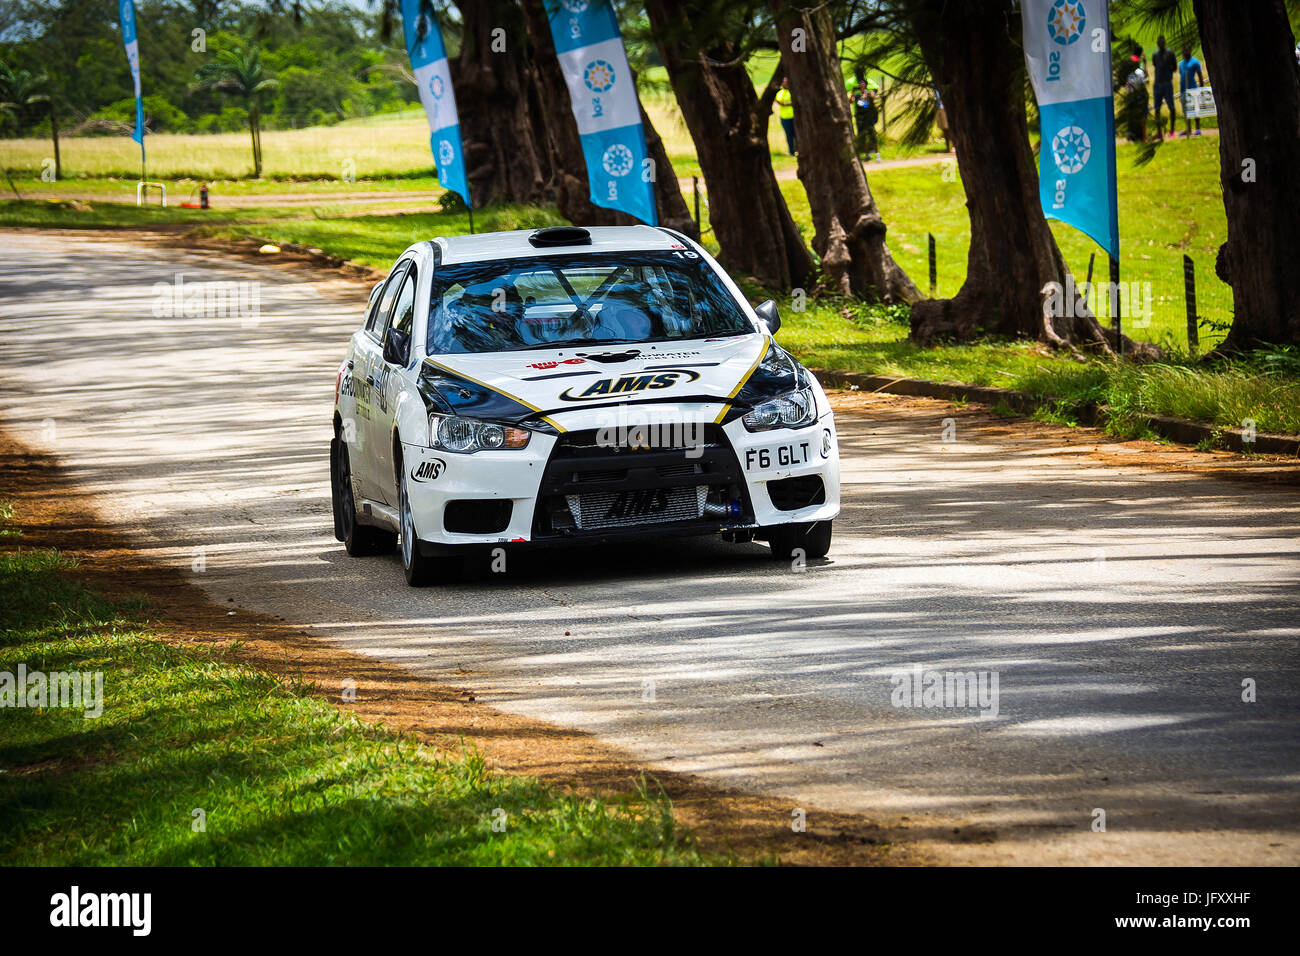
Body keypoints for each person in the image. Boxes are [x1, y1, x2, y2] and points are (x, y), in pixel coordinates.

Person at [848, 68, 881, 160]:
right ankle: (867, 155)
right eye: (860, 84)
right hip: (860, 117)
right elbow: (850, 100)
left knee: (872, 135)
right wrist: (854, 92)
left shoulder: (869, 94)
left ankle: (877, 155)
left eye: (863, 84)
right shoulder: (857, 95)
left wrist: (867, 93)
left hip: (869, 117)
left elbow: (873, 94)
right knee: (862, 136)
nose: (861, 86)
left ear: (866, 85)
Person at [1151, 35, 1177, 140]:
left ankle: (1172, 130)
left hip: (1167, 83)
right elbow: (1155, 66)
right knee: (1157, 108)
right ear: (1158, 44)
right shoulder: (1155, 55)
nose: (1161, 44)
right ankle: (1159, 131)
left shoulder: (1170, 54)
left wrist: (1168, 72)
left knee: (1171, 107)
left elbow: (1174, 67)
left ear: (1165, 43)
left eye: (1163, 42)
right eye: (1159, 42)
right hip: (1157, 84)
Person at [1178, 47, 1205, 136]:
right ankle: (1188, 129)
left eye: (1187, 50)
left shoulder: (1195, 62)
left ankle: (1197, 128)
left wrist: (1201, 90)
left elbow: (1200, 76)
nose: (1186, 51)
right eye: (1184, 50)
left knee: (1195, 108)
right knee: (1186, 110)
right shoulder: (1181, 64)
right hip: (1183, 89)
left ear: (1190, 50)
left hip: (1193, 88)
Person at [775, 77, 796, 155]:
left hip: (794, 117)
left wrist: (786, 103)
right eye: (784, 82)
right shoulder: (780, 93)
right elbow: (780, 102)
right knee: (789, 135)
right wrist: (790, 103)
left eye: (786, 82)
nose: (785, 83)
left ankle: (798, 149)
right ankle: (791, 151)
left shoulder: (792, 91)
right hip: (785, 118)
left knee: (796, 135)